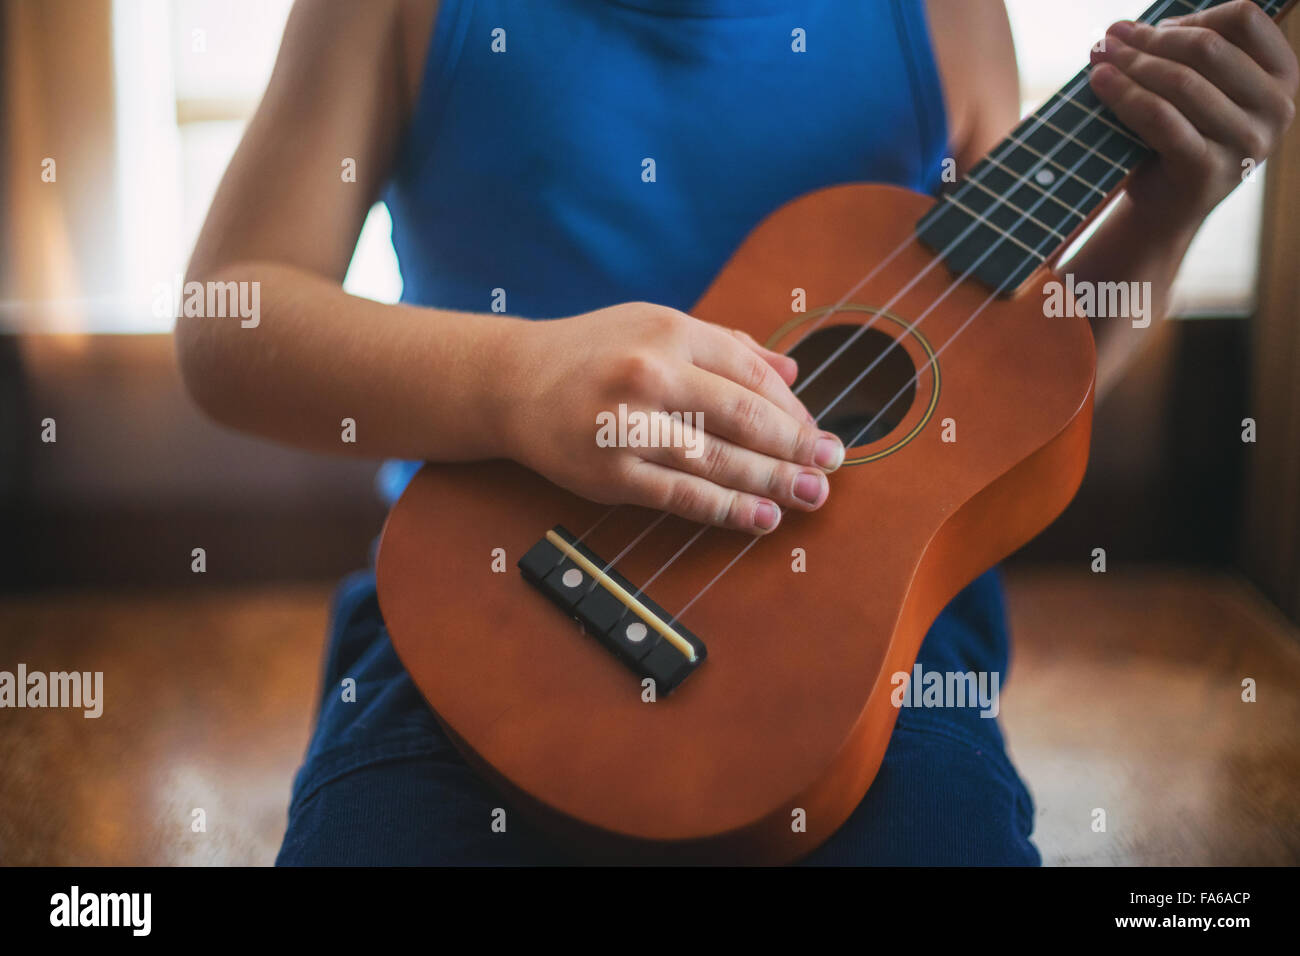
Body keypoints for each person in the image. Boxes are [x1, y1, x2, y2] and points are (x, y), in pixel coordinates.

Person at [176, 0, 1298, 864]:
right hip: (482, 601)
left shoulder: (944, 15)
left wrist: (1159, 219)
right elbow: (228, 317)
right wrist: (517, 381)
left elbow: (1007, 387)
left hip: (871, 656)